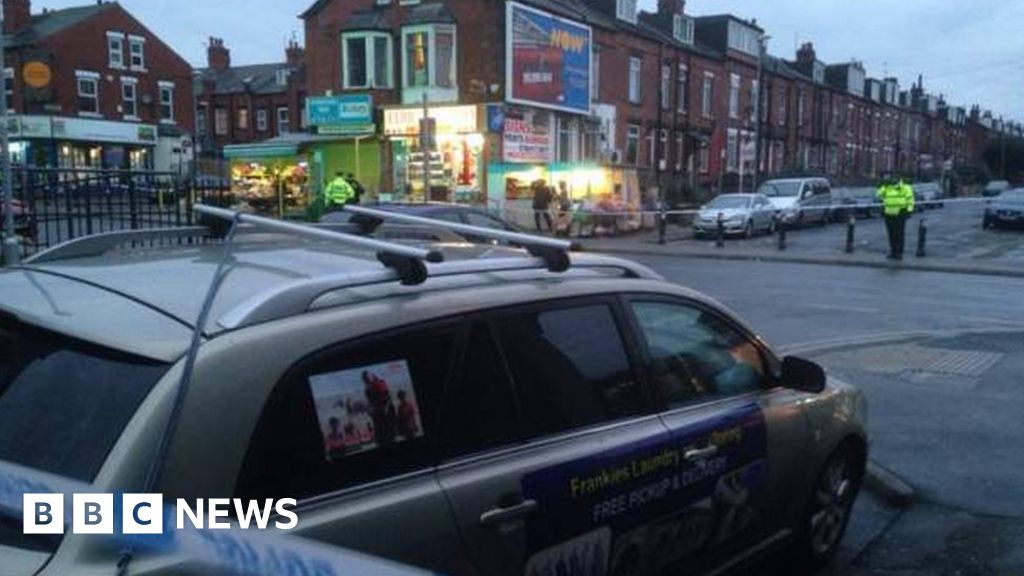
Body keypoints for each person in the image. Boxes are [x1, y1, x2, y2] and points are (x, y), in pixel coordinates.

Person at [877, 174, 915, 260]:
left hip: (900, 213)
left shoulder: (905, 188)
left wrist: (909, 211)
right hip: (888, 213)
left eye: (895, 179)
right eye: (891, 179)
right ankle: (893, 251)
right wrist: (884, 185)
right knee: (891, 234)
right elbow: (878, 195)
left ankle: (899, 252)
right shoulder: (887, 187)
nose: (893, 180)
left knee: (899, 234)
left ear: (899, 179)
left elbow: (910, 200)